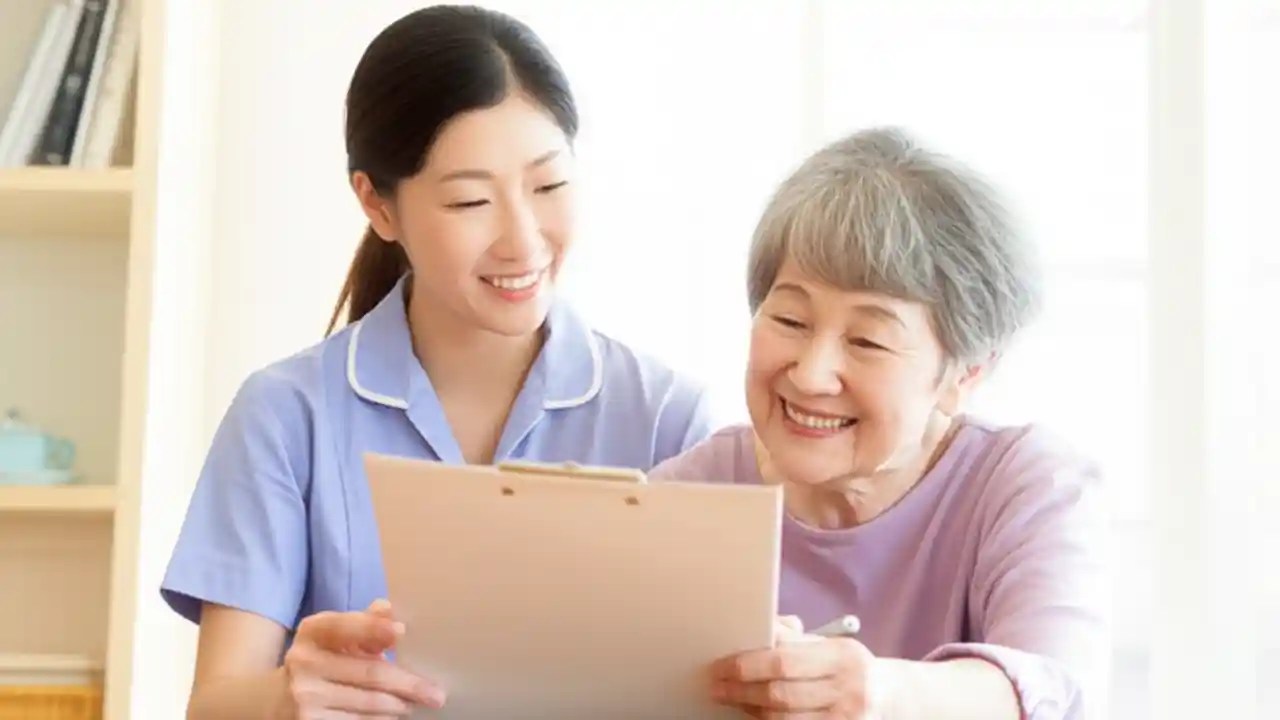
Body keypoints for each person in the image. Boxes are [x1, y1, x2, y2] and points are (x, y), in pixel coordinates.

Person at [162, 6, 716, 718]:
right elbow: (214, 704)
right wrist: (284, 698)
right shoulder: (286, 415)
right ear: (378, 205)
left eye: (548, 187)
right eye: (471, 200)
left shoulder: (669, 418)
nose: (523, 241)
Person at [650, 128, 1111, 719]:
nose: (812, 374)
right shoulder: (689, 493)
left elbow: (1058, 691)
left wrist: (879, 695)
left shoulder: (1026, 485)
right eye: (790, 320)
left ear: (964, 374)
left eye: (867, 339)